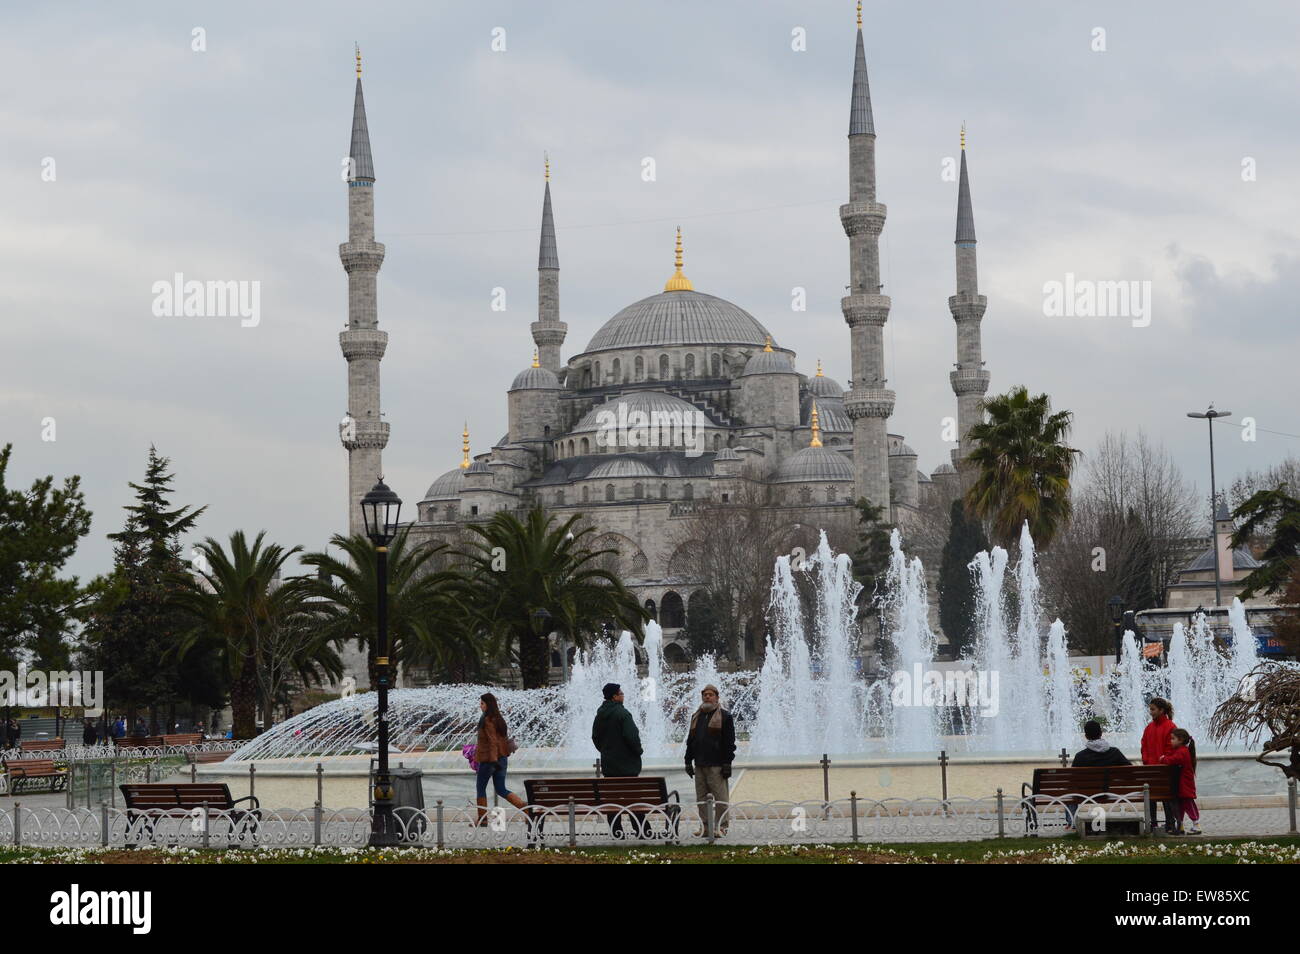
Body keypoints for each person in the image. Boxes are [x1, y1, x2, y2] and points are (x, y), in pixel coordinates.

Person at [591, 683, 644, 838]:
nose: (623, 696)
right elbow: (631, 736)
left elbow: (595, 737)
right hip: (627, 766)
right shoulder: (623, 714)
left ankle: (616, 830)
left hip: (609, 765)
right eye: (621, 693)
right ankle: (641, 829)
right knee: (633, 798)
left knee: (612, 797)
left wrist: (606, 751)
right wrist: (638, 751)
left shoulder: (600, 714)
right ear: (614, 696)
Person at [684, 684, 736, 836]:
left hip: (717, 764)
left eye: (710, 694)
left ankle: (721, 826)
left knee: (720, 798)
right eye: (705, 694)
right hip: (699, 764)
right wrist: (688, 761)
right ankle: (705, 827)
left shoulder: (725, 716)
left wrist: (727, 763)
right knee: (701, 799)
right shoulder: (696, 716)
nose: (707, 697)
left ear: (717, 697)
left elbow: (729, 742)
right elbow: (691, 741)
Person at [472, 693, 525, 826]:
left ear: (488, 704)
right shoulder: (499, 718)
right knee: (501, 789)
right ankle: (526, 809)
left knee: (480, 788)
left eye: (482, 703)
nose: (480, 705)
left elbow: (493, 741)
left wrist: (493, 760)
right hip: (502, 758)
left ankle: (482, 819)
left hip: (490, 759)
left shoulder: (487, 719)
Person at [1067, 719, 1129, 829]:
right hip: (1107, 792)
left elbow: (1073, 780)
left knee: (1070, 790)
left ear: (1086, 736)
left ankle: (1071, 822)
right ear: (1101, 733)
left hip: (1084, 795)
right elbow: (1130, 772)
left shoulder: (1080, 756)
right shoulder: (1115, 752)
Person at [1140, 697, 1178, 834]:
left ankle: (1164, 823)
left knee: (1161, 798)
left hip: (1161, 769)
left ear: (1161, 710)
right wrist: (1146, 759)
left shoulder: (1170, 726)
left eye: (1153, 709)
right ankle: (1160, 823)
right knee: (1157, 797)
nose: (1150, 712)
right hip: (1154, 768)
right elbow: (1144, 744)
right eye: (1150, 709)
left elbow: (1172, 747)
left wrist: (1159, 760)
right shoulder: (1150, 727)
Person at [1161, 728, 1200, 835]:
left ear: (1181, 740)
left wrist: (1164, 759)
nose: (1171, 741)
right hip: (1181, 784)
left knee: (1188, 804)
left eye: (1173, 739)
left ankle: (1196, 823)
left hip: (1185, 784)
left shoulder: (1183, 751)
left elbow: (1173, 759)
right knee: (1181, 806)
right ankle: (1181, 825)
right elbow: (1172, 755)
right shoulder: (1181, 750)